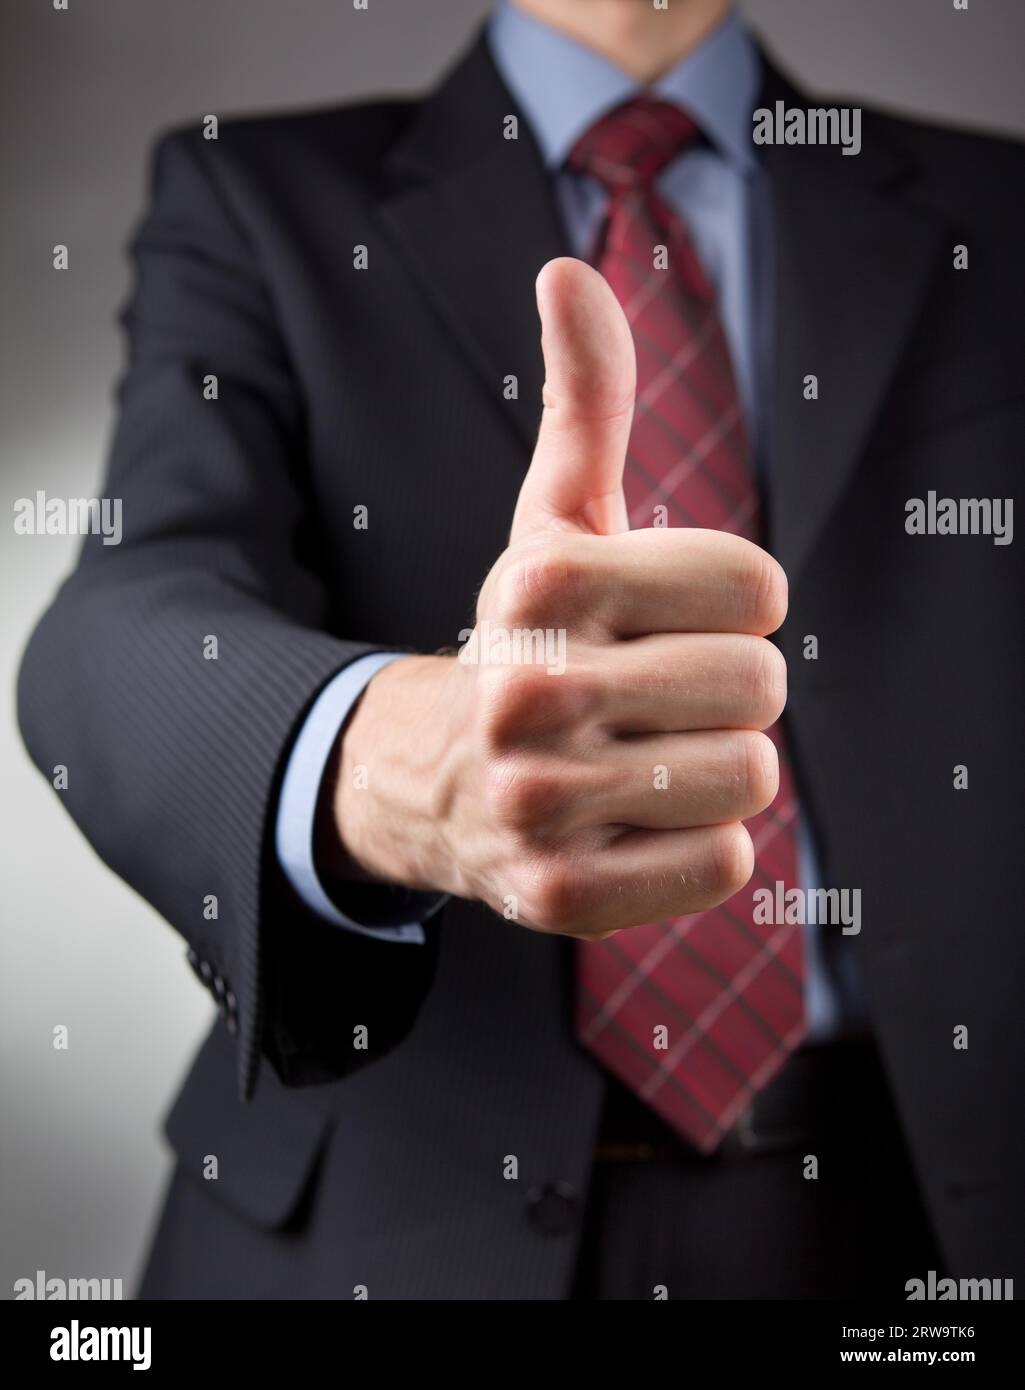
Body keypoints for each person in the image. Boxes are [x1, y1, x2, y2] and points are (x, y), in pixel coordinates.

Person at [18, 0, 1025, 1299]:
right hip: (387, 1211)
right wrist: (394, 766)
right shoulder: (256, 194)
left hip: (925, 1205)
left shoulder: (997, 211)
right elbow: (123, 611)